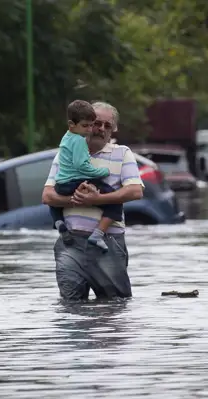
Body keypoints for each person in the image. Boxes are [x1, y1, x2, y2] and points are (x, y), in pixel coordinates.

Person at [41, 101, 144, 300]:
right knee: (70, 306)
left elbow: (135, 191)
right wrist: (77, 199)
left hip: (108, 243)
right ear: (86, 123)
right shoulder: (66, 153)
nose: (101, 129)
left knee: (115, 305)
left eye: (108, 126)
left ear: (114, 130)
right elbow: (47, 196)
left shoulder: (122, 153)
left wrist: (98, 198)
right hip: (70, 242)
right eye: (97, 123)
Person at [50, 100, 122, 252]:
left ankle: (58, 222)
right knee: (116, 201)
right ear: (71, 124)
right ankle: (98, 234)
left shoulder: (66, 138)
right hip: (76, 182)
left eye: (91, 125)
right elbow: (82, 166)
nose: (90, 130)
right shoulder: (80, 141)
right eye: (87, 125)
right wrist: (102, 172)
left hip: (61, 184)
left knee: (54, 200)